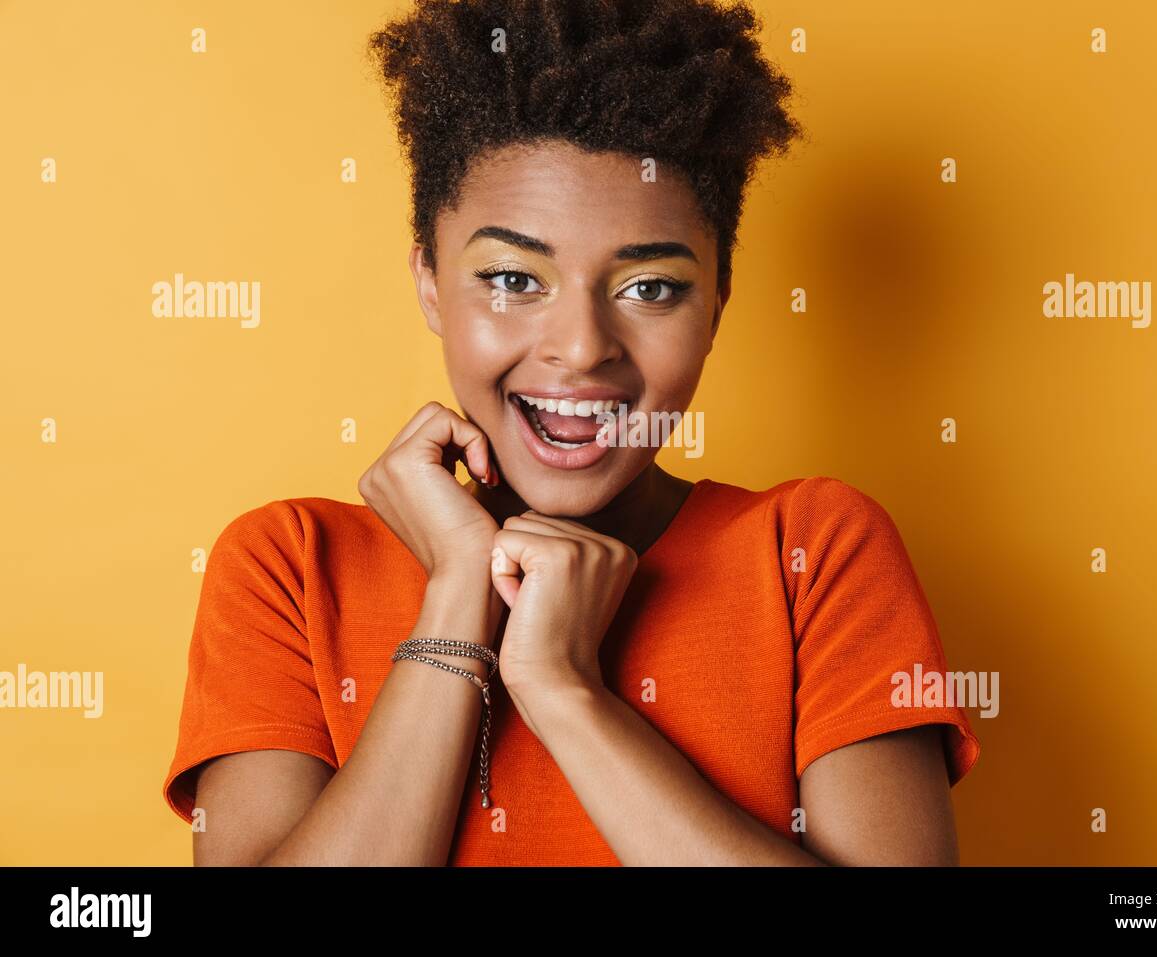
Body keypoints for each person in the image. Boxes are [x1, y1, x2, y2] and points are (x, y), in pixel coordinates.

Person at [162, 0, 980, 866]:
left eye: (652, 288)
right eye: (514, 276)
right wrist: (456, 599)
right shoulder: (289, 565)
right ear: (432, 284)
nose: (583, 347)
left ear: (718, 304)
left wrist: (562, 688)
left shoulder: (812, 553)